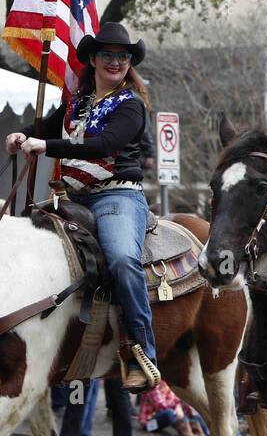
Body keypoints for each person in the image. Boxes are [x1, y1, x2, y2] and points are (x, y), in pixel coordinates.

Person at [8, 21, 159, 393]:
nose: (115, 62)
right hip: (72, 199)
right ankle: (14, 354)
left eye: (122, 57)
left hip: (116, 197)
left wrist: (47, 147)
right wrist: (22, 135)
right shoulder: (75, 105)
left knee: (123, 259)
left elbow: (104, 145)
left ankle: (142, 351)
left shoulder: (131, 106)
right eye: (107, 55)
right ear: (93, 59)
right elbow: (42, 126)